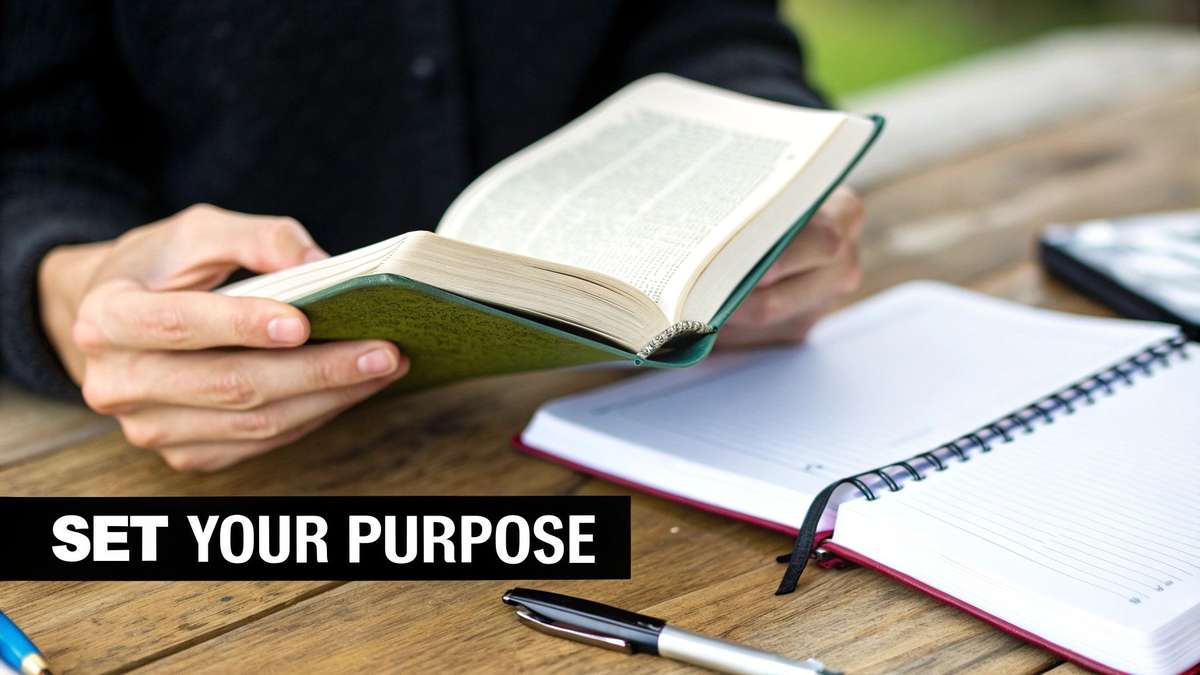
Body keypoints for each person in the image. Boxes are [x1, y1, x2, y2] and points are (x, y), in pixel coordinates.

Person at [1, 1, 865, 471]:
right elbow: (26, 148)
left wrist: (772, 171)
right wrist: (63, 288)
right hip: (218, 487)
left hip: (625, 417)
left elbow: (707, 24)